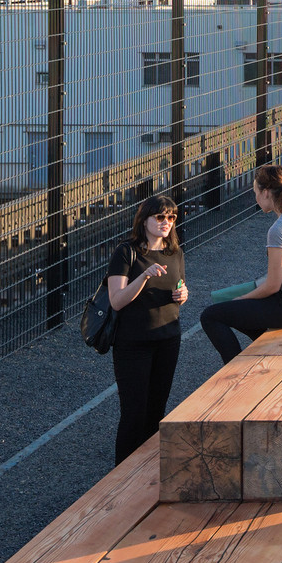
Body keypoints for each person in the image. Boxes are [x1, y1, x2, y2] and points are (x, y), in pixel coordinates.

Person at [199, 163, 282, 363]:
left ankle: (235, 367)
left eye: (255, 192)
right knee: (240, 311)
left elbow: (273, 286)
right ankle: (268, 351)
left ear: (266, 193)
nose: (255, 198)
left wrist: (241, 299)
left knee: (211, 316)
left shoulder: (280, 228)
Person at [106, 194, 188, 464]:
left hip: (168, 339)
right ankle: (121, 474)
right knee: (134, 414)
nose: (167, 222)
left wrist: (183, 294)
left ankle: (148, 471)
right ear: (144, 220)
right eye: (160, 217)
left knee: (156, 411)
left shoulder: (174, 252)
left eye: (171, 217)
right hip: (133, 343)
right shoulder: (126, 252)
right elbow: (116, 301)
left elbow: (179, 285)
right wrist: (143, 276)